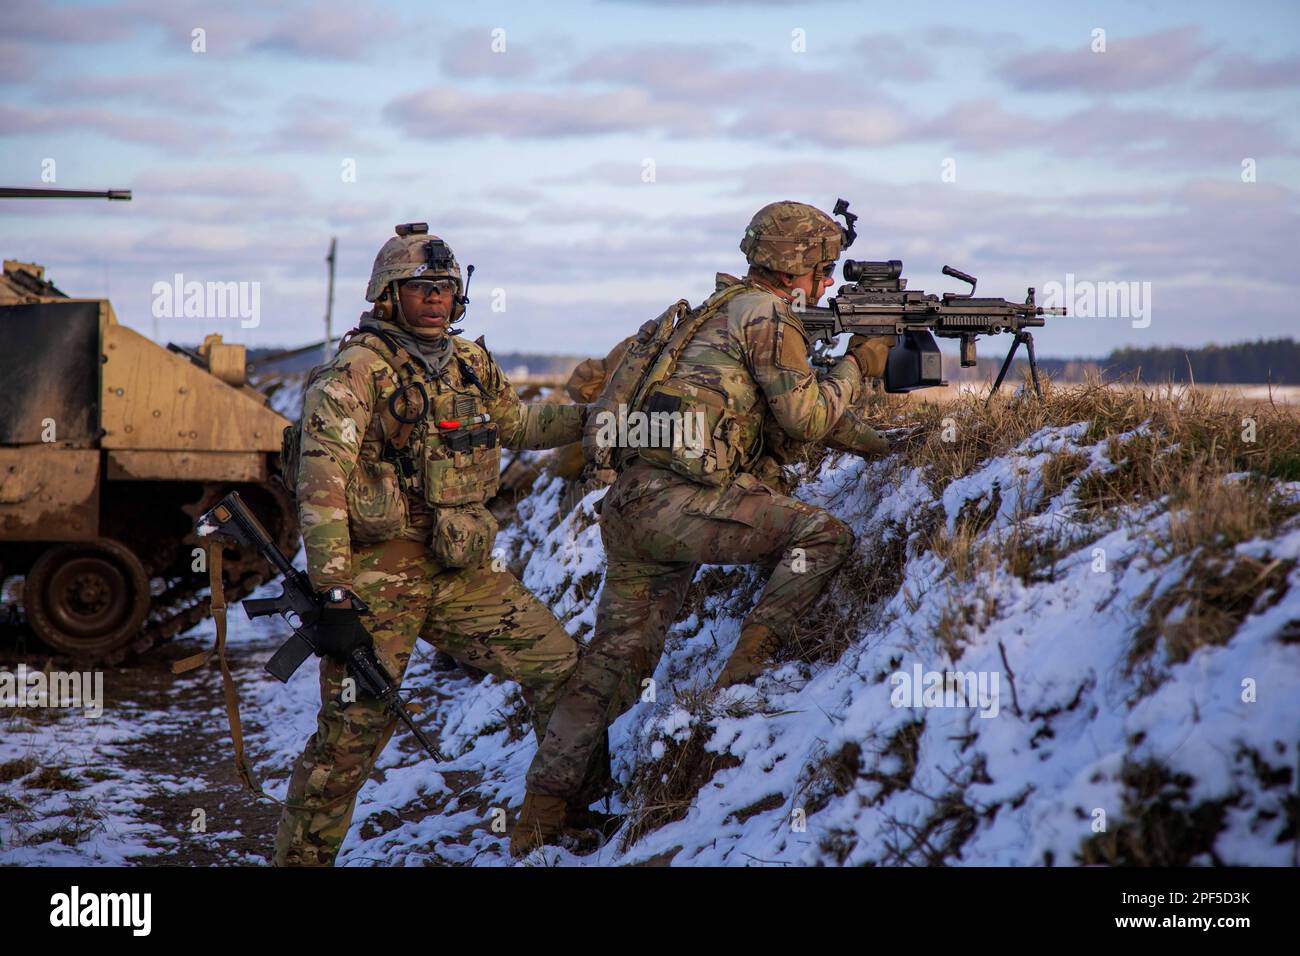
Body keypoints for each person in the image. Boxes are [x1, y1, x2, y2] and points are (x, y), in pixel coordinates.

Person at [512, 201, 895, 856]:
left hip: (631, 506)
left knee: (612, 666)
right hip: (684, 504)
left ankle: (540, 818)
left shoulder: (706, 315)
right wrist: (861, 363)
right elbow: (805, 418)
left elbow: (787, 415)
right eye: (824, 268)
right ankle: (738, 686)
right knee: (823, 535)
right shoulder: (768, 317)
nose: (828, 283)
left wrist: (880, 447)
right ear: (797, 264)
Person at [274, 223, 605, 866]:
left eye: (446, 288)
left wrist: (598, 421)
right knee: (351, 737)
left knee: (561, 666)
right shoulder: (354, 371)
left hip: (459, 570)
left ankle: (552, 822)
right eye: (421, 286)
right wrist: (334, 592)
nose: (435, 297)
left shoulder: (469, 361)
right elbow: (322, 484)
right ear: (387, 294)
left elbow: (521, 423)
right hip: (376, 578)